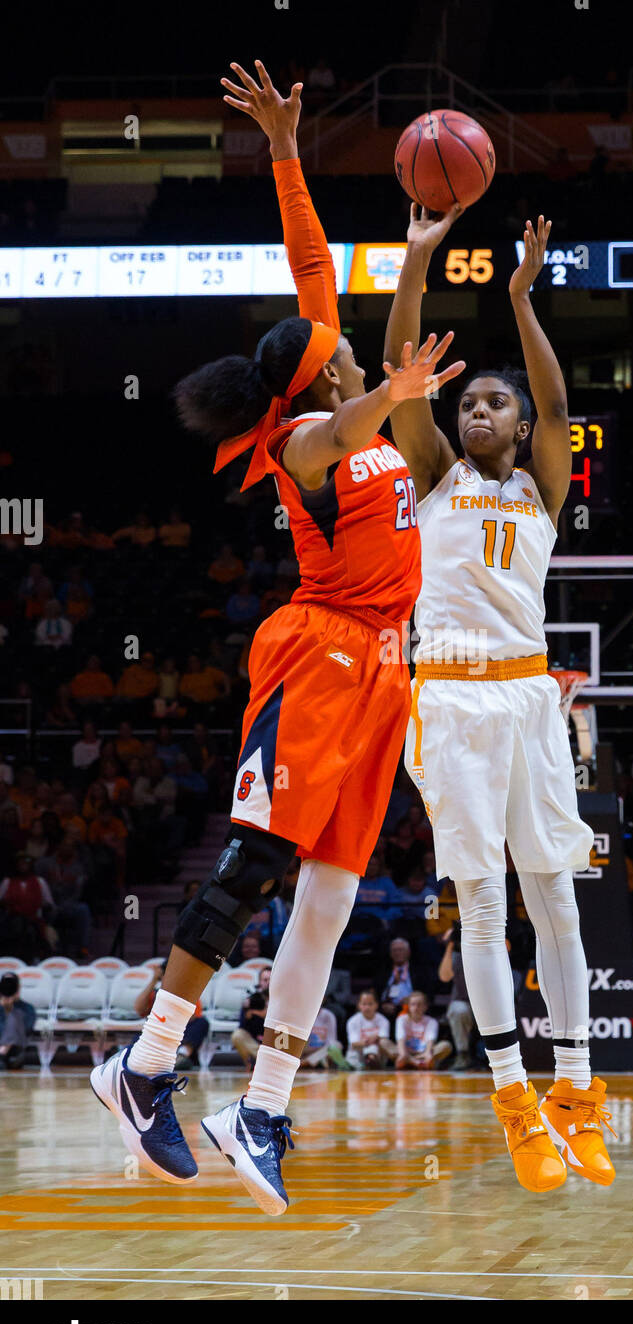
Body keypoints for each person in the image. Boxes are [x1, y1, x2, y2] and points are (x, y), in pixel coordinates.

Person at [89, 63, 462, 1217]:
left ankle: (260, 1104)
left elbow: (307, 268)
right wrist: (381, 392)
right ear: (318, 385)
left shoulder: (337, 378)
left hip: (384, 669)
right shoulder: (304, 438)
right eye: (342, 356)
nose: (346, 346)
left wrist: (289, 153)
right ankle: (142, 1063)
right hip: (317, 652)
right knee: (254, 863)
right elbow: (338, 416)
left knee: (333, 895)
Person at [385, 195, 614, 1193]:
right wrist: (412, 264)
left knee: (554, 898)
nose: (476, 411)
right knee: (480, 910)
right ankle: (513, 1098)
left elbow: (562, 409)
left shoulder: (540, 486)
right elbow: (402, 382)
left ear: (518, 427)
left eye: (492, 403)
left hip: (526, 703)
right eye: (467, 401)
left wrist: (522, 297)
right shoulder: (433, 472)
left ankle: (577, 1091)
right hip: (448, 705)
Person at [133, 960, 209, 1070]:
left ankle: (181, 1057)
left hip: (179, 1031)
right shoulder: (155, 993)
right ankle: (137, 1058)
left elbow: (193, 1016)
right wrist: (154, 980)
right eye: (167, 975)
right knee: (143, 1031)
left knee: (202, 1023)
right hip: (158, 1031)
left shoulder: (187, 991)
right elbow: (138, 1009)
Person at [437, 925, 475, 1069]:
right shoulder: (456, 954)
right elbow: (444, 976)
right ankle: (462, 1054)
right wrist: (451, 944)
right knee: (458, 1009)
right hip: (465, 1003)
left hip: (488, 1004)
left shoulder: (485, 946)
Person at [395, 991, 452, 1070]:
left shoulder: (431, 1021)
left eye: (419, 1004)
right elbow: (400, 1038)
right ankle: (418, 1063)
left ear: (425, 1007)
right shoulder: (401, 1019)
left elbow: (430, 1040)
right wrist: (403, 1054)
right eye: (413, 1004)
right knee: (385, 1043)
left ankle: (411, 1062)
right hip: (406, 1052)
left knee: (446, 1046)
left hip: (423, 1053)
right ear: (408, 1006)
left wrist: (427, 1053)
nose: (416, 1007)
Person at [345, 989, 397, 1069]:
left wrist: (374, 1039)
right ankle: (368, 1061)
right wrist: (371, 1040)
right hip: (358, 1057)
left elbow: (384, 1040)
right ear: (359, 1005)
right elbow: (354, 1044)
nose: (367, 1007)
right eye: (364, 1004)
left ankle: (374, 1060)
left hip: (378, 1056)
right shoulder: (352, 1021)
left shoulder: (383, 1021)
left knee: (383, 1043)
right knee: (370, 1048)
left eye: (370, 1004)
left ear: (376, 1005)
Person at [232, 969, 271, 1068]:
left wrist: (259, 1013)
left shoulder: (282, 999)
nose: (268, 983)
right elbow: (242, 1026)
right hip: (256, 1041)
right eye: (265, 980)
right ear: (260, 983)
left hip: (276, 1042)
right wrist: (248, 1011)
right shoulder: (252, 999)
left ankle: (263, 1061)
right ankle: (266, 1061)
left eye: (271, 980)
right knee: (237, 1035)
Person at [0, 972, 35, 1069]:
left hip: (15, 1049)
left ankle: (2, 1054)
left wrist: (10, 1009)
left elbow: (27, 1029)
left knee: (14, 1017)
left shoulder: (27, 1008)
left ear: (18, 988)